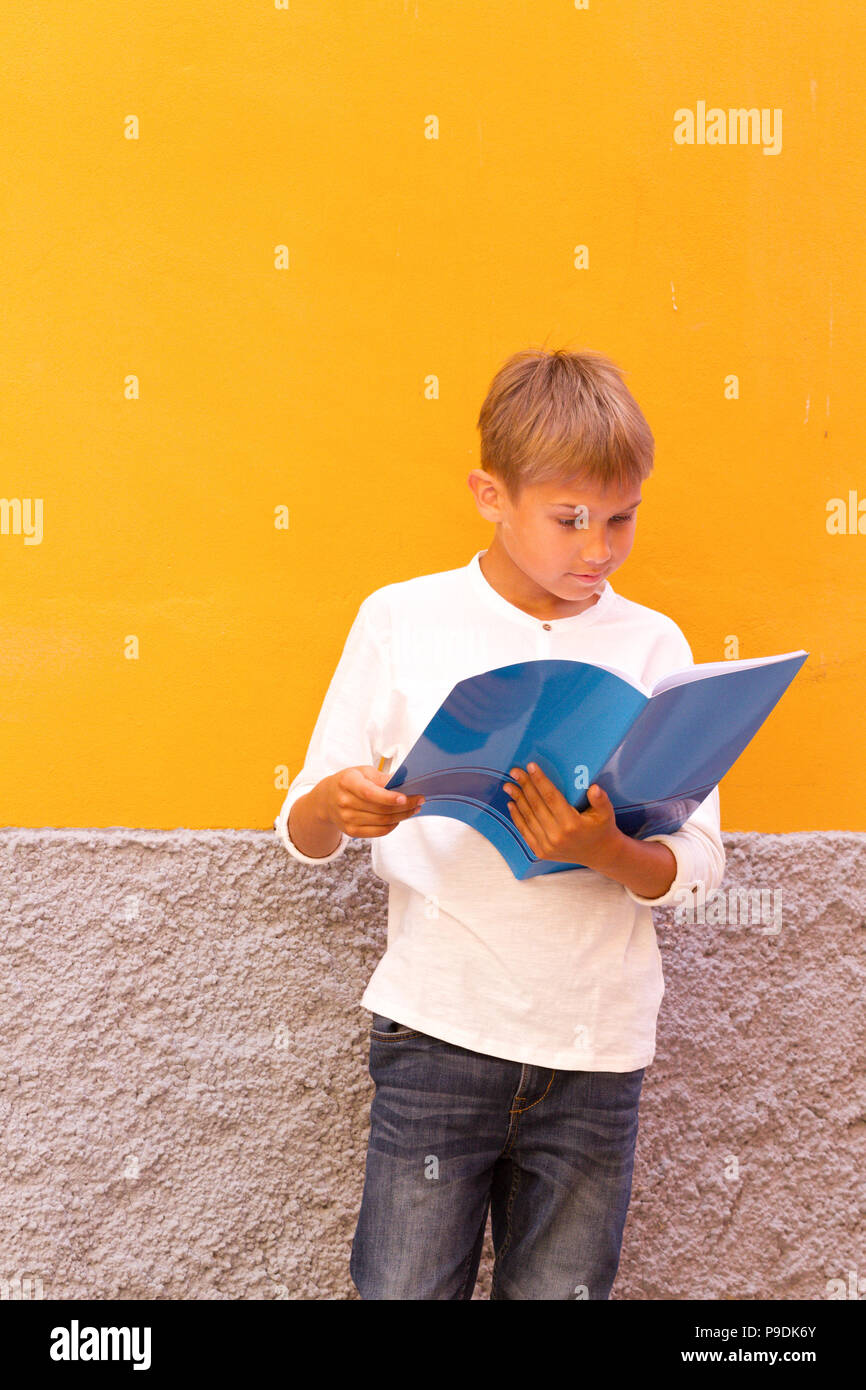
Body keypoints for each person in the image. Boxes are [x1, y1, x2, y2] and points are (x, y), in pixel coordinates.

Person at [274, 347, 725, 1299]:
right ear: (490, 494)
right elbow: (303, 826)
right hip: (439, 1032)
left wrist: (605, 849)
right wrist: (340, 806)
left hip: (596, 1051)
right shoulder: (403, 618)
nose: (597, 548)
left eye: (622, 518)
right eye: (569, 519)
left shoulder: (654, 643)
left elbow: (697, 866)